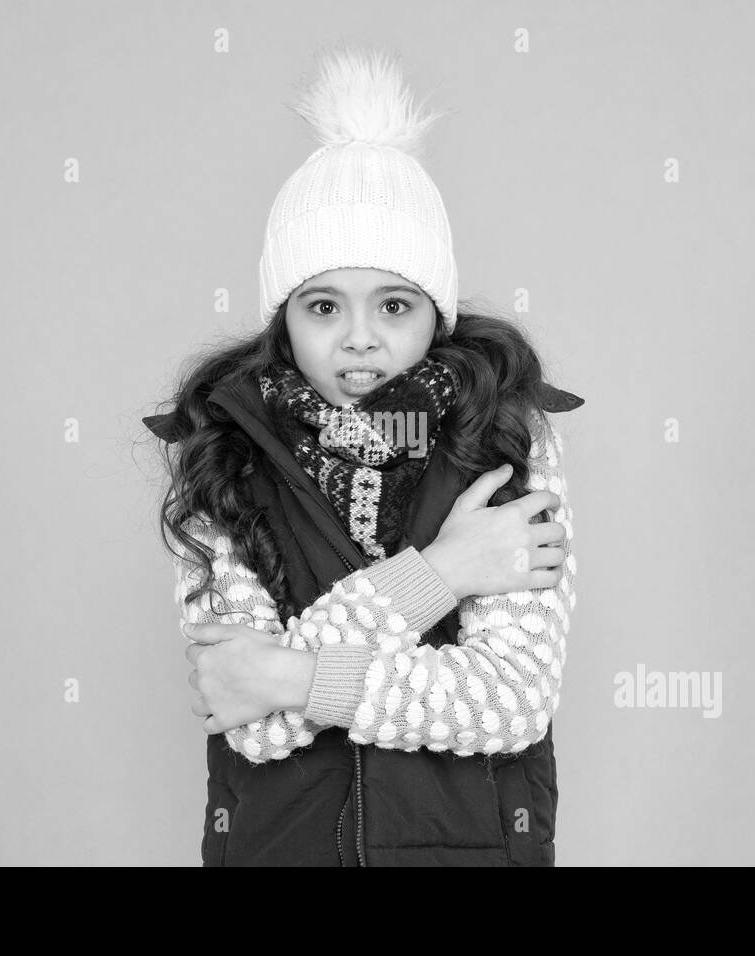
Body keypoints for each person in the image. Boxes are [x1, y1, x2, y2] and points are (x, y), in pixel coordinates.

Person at [144, 45, 582, 866]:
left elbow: (510, 701)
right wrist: (442, 573)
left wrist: (291, 676)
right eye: (322, 305)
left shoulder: (506, 445)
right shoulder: (222, 454)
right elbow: (254, 719)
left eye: (393, 303)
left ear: (436, 313)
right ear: (285, 317)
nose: (359, 339)